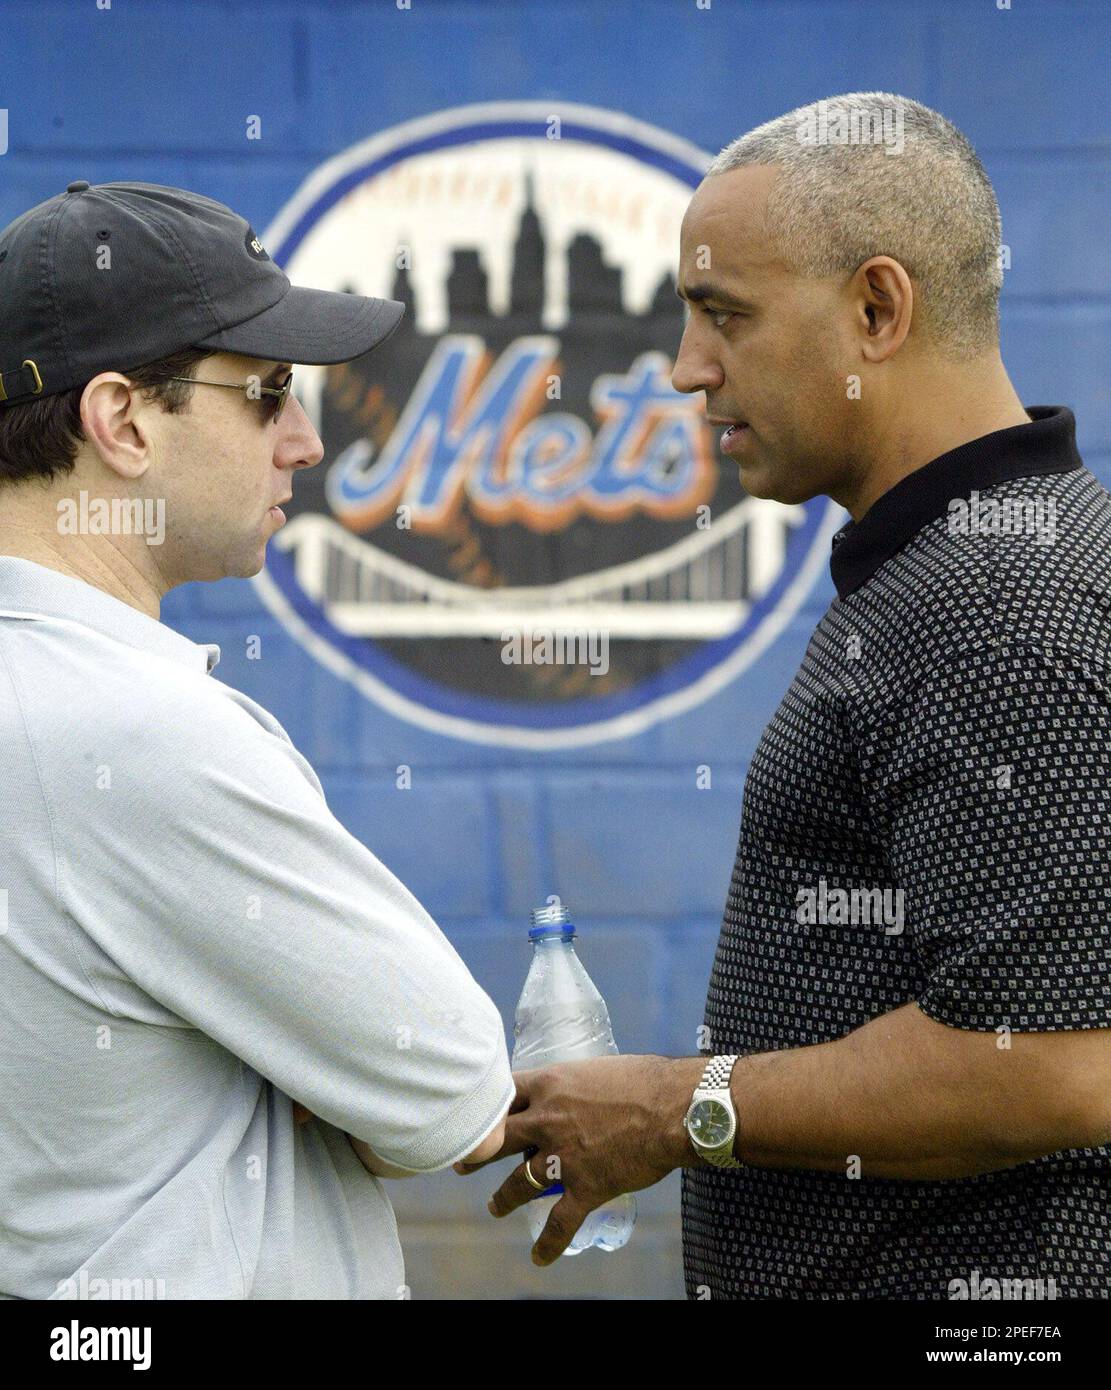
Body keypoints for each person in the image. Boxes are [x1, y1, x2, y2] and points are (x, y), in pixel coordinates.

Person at [456, 93, 1111, 1299]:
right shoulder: (961, 564)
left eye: (724, 316)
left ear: (877, 308)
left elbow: (1057, 1064)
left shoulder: (995, 596)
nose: (685, 369)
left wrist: (679, 1105)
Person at [0, 181, 512, 1300]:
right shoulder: (141, 729)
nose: (305, 440)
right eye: (267, 393)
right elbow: (449, 1091)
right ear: (123, 422)